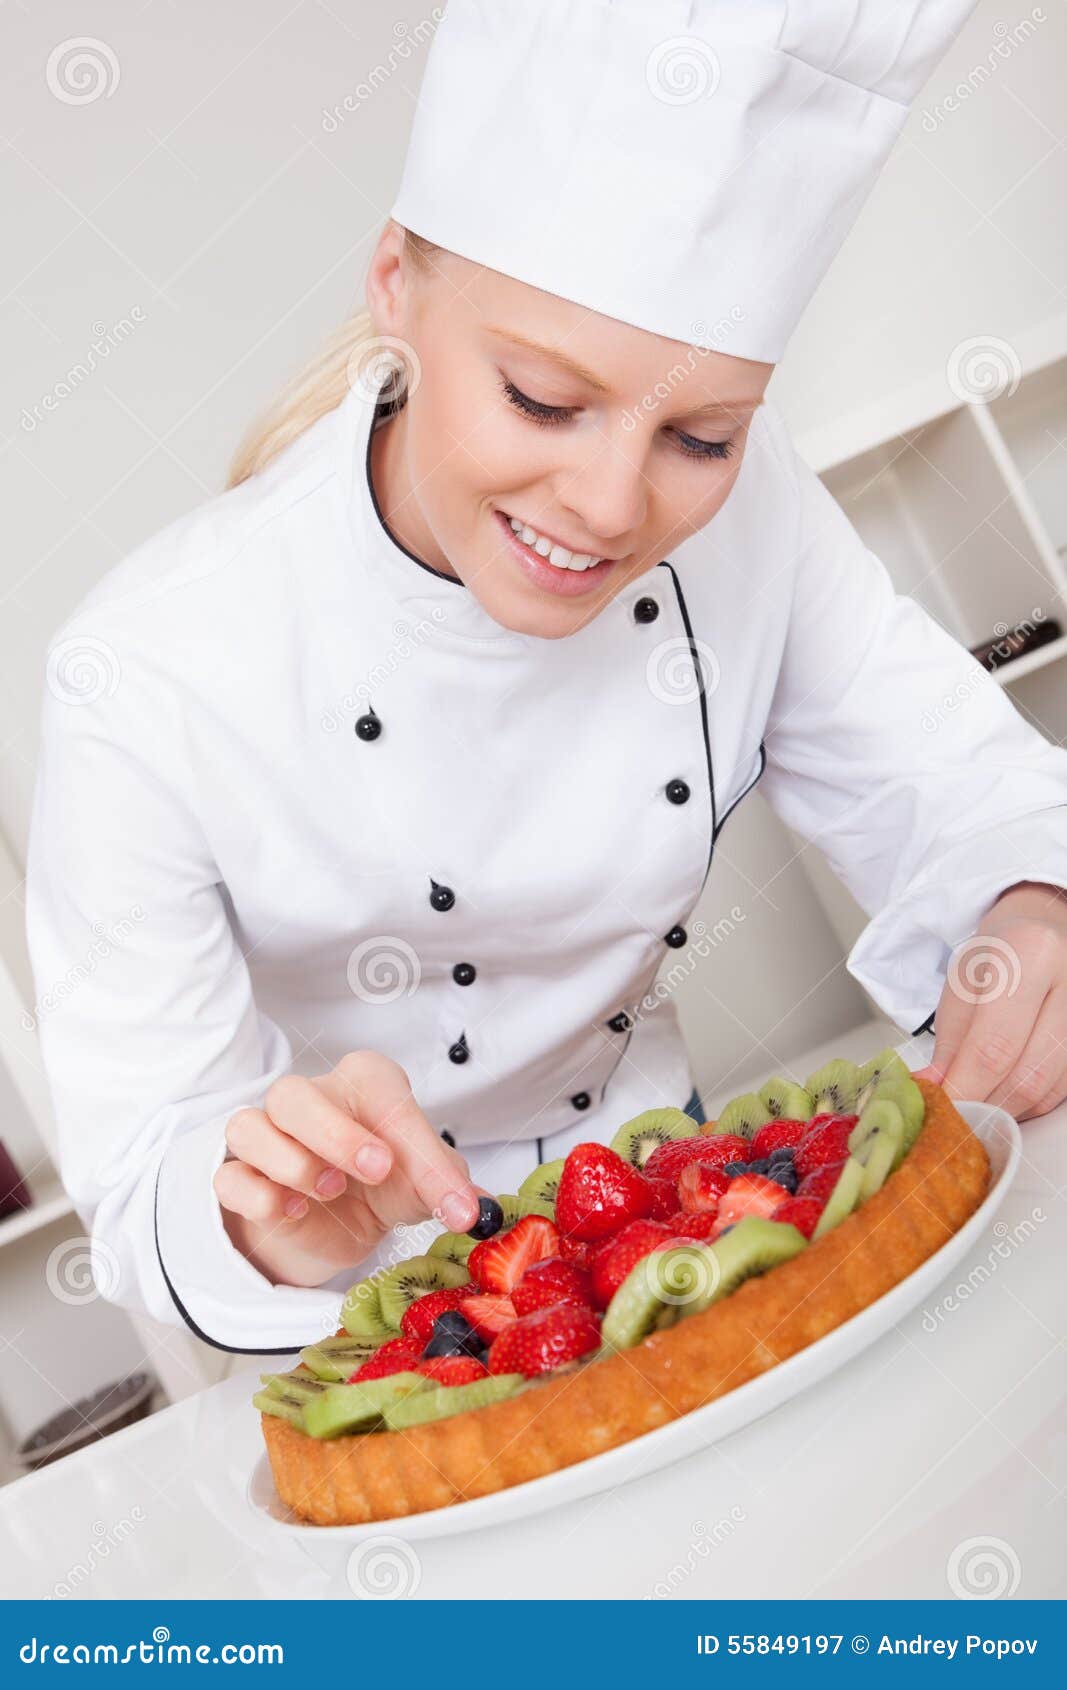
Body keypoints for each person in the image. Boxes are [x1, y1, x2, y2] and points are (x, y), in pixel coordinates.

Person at [25, 0, 1067, 1353]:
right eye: (541, 399)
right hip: (373, 1313)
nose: (610, 504)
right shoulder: (146, 674)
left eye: (699, 434)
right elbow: (142, 1164)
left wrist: (1032, 910)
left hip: (667, 1217)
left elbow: (962, 789)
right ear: (395, 285)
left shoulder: (758, 529)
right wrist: (260, 1214)